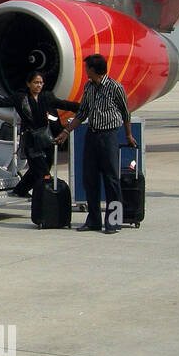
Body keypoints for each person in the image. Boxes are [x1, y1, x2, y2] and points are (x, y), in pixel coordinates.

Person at [56, 53, 136, 233]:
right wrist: (66, 131)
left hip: (109, 136)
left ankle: (114, 220)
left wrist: (128, 135)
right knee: (90, 178)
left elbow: (126, 113)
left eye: (87, 69)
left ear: (94, 70)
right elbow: (82, 112)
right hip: (92, 135)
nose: (85, 72)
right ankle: (93, 220)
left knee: (111, 179)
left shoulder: (115, 88)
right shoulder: (89, 87)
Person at [7, 72, 80, 197]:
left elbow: (64, 104)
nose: (39, 85)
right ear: (28, 84)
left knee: (40, 168)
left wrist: (84, 107)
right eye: (36, 82)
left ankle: (19, 190)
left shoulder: (46, 97)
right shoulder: (21, 98)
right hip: (31, 141)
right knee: (44, 173)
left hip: (46, 140)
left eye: (41, 83)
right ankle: (46, 199)